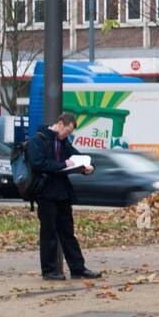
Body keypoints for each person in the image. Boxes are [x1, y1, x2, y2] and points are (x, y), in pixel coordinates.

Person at [26, 111, 102, 281]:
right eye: (67, 131)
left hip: (62, 194)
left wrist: (88, 167)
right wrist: (62, 165)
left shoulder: (63, 142)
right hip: (46, 194)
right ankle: (49, 270)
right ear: (60, 124)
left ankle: (78, 268)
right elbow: (38, 163)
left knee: (68, 233)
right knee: (49, 233)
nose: (67, 135)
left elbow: (77, 157)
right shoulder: (38, 140)